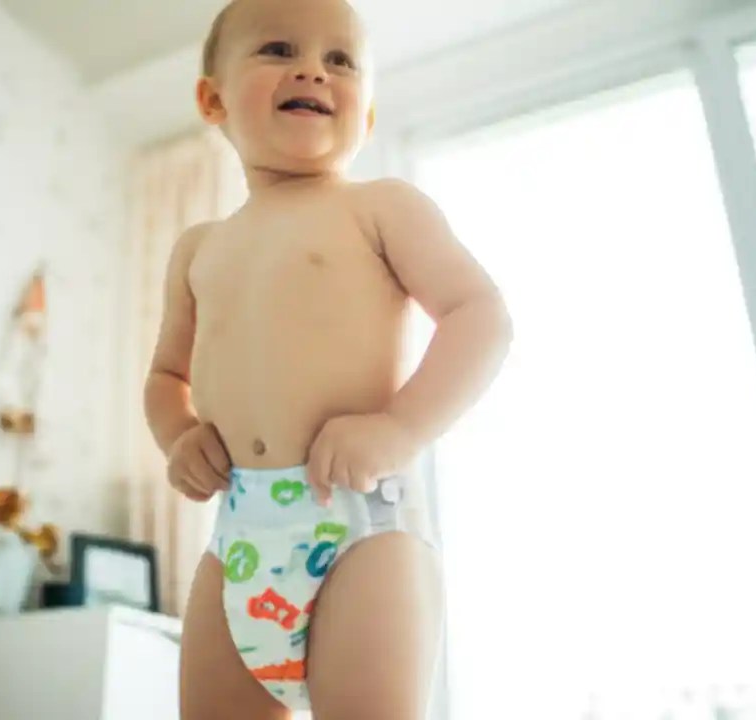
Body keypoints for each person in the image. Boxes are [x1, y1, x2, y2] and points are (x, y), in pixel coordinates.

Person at [143, 0, 512, 717]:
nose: (314, 68)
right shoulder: (197, 247)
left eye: (341, 60)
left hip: (360, 523)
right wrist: (177, 437)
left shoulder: (379, 206)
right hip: (241, 534)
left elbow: (481, 316)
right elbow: (166, 377)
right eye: (279, 49)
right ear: (212, 99)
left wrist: (400, 428)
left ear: (366, 115)